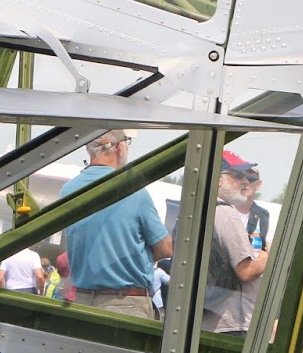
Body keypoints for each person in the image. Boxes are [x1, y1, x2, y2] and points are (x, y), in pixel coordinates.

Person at [59, 130, 174, 319]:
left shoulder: (68, 190)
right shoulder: (133, 190)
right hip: (125, 304)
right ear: (120, 147)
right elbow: (166, 248)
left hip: (81, 302)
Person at [202, 152, 268, 334]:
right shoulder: (225, 213)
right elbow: (246, 271)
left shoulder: (198, 208)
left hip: (206, 317)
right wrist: (270, 256)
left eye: (246, 176)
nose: (245, 181)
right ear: (217, 180)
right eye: (237, 176)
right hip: (227, 322)